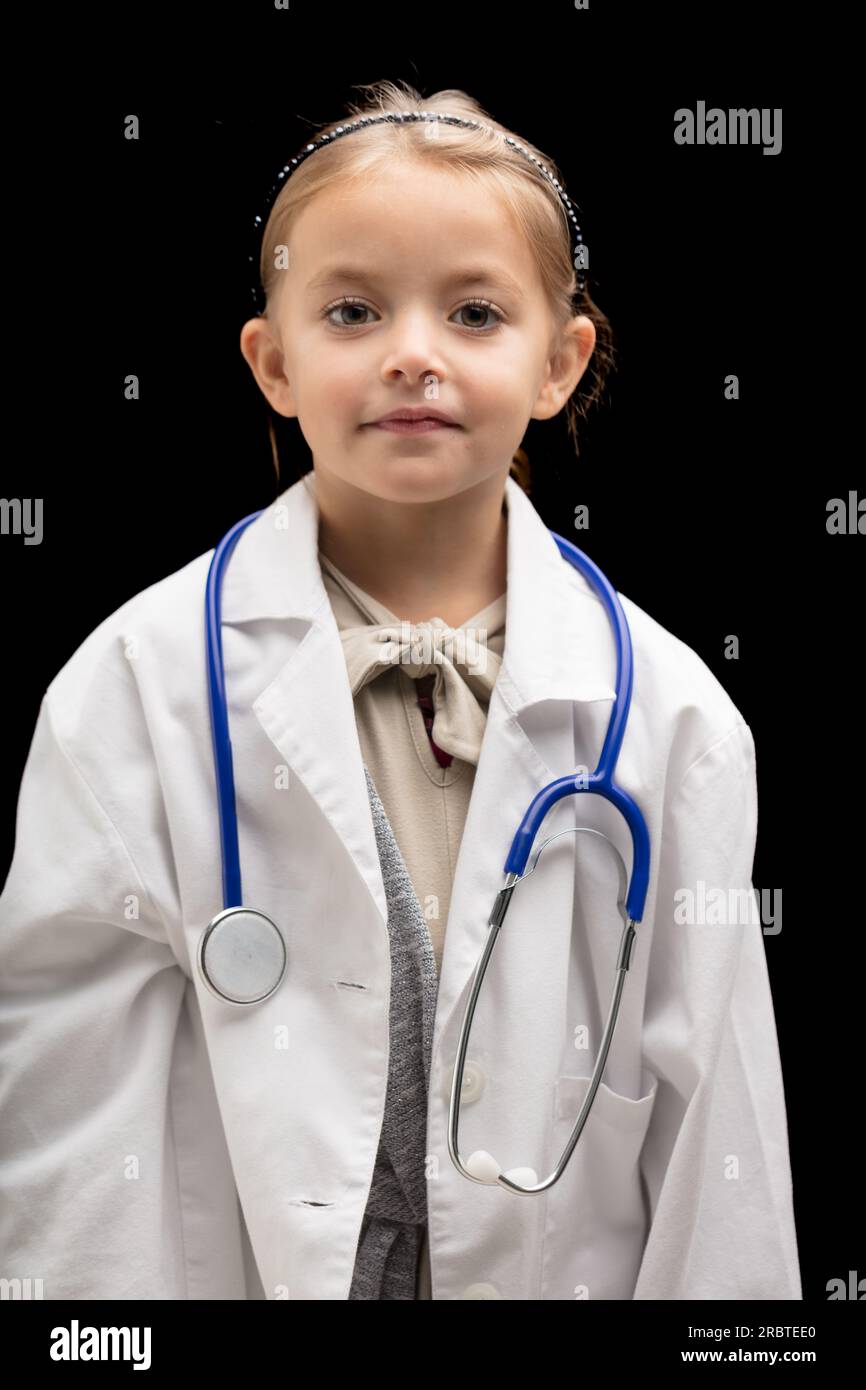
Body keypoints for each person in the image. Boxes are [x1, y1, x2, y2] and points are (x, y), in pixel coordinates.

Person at [0, 81, 800, 1300]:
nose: (411, 352)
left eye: (474, 311)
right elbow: (73, 1115)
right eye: (353, 309)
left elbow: (719, 1138)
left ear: (557, 361)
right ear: (272, 364)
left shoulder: (669, 719)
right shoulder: (137, 686)